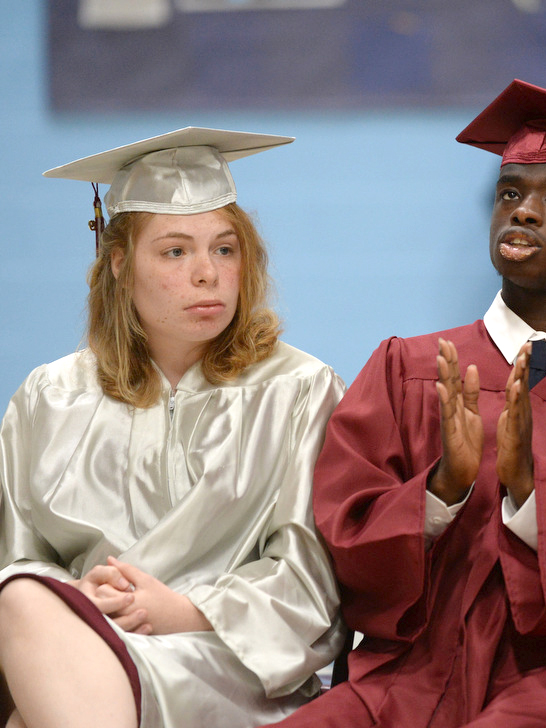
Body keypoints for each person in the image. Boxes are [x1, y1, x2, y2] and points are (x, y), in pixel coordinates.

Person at [266, 80, 546, 728]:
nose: (523, 211)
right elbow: (344, 542)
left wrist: (533, 491)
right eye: (510, 193)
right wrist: (440, 490)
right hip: (401, 680)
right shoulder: (410, 368)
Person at [0, 128, 346, 728]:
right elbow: (18, 561)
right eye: (175, 251)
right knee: (22, 598)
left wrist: (184, 610)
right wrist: (86, 601)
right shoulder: (49, 398)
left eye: (225, 249)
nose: (208, 274)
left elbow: (313, 578)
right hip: (84, 643)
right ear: (118, 265)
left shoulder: (298, 390)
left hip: (229, 662)